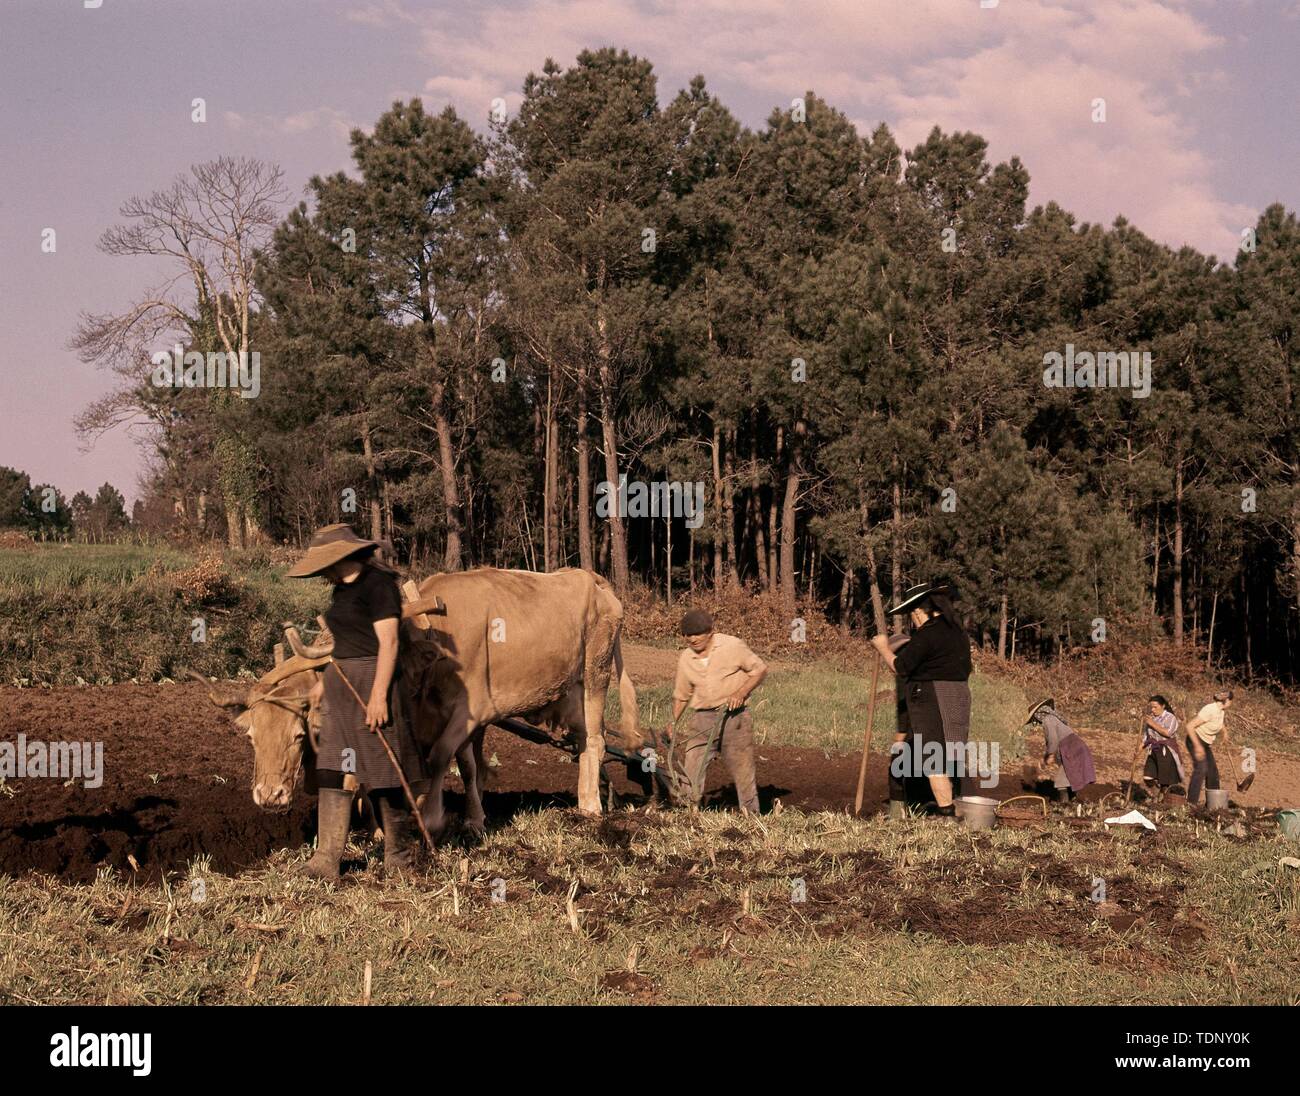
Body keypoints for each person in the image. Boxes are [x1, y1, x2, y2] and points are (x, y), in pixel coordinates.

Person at [287, 524, 429, 879]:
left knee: (382, 771)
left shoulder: (378, 586)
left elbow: (390, 644)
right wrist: (326, 684)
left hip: (372, 683)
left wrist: (379, 696)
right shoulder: (341, 592)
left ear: (339, 557)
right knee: (334, 769)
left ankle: (399, 858)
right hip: (343, 687)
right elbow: (347, 640)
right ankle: (326, 859)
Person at [871, 582, 972, 819]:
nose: (913, 620)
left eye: (912, 615)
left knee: (932, 758)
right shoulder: (958, 632)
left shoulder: (928, 633)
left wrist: (883, 648)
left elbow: (901, 667)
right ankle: (945, 805)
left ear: (919, 611)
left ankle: (946, 813)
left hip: (932, 697)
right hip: (959, 695)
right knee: (947, 753)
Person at [668, 609, 767, 814]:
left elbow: (760, 670)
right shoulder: (686, 658)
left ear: (710, 632)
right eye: (688, 635)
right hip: (702, 720)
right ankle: (688, 813)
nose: (692, 639)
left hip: (734, 717)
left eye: (697, 634)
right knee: (691, 769)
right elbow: (681, 694)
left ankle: (751, 817)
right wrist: (673, 722)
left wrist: (740, 693)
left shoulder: (732, 646)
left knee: (743, 771)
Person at [1026, 698, 1096, 802]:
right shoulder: (1053, 718)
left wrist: (1050, 755)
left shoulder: (1047, 719)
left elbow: (1053, 740)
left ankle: (1065, 805)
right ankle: (1072, 802)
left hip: (1071, 748)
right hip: (1074, 747)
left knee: (1061, 780)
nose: (1036, 721)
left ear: (1037, 714)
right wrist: (1047, 756)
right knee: (1068, 777)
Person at [1185, 689, 1234, 806]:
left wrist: (1225, 732)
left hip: (1205, 743)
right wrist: (1197, 747)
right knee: (1201, 769)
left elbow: (1219, 722)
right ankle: (1191, 803)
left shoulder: (1220, 711)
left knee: (1213, 773)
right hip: (1194, 740)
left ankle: (1214, 805)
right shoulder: (1210, 710)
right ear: (1226, 700)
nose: (1231, 703)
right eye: (1231, 701)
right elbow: (1189, 726)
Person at [1141, 695, 1185, 795]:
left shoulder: (1170, 717)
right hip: (1153, 749)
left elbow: (1168, 733)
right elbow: (1146, 737)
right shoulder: (1151, 718)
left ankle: (1163, 799)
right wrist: (1139, 750)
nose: (1152, 710)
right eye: (1151, 707)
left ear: (1163, 706)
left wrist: (1152, 724)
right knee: (1147, 777)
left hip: (1166, 750)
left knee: (1165, 781)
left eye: (1155, 707)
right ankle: (1157, 793)